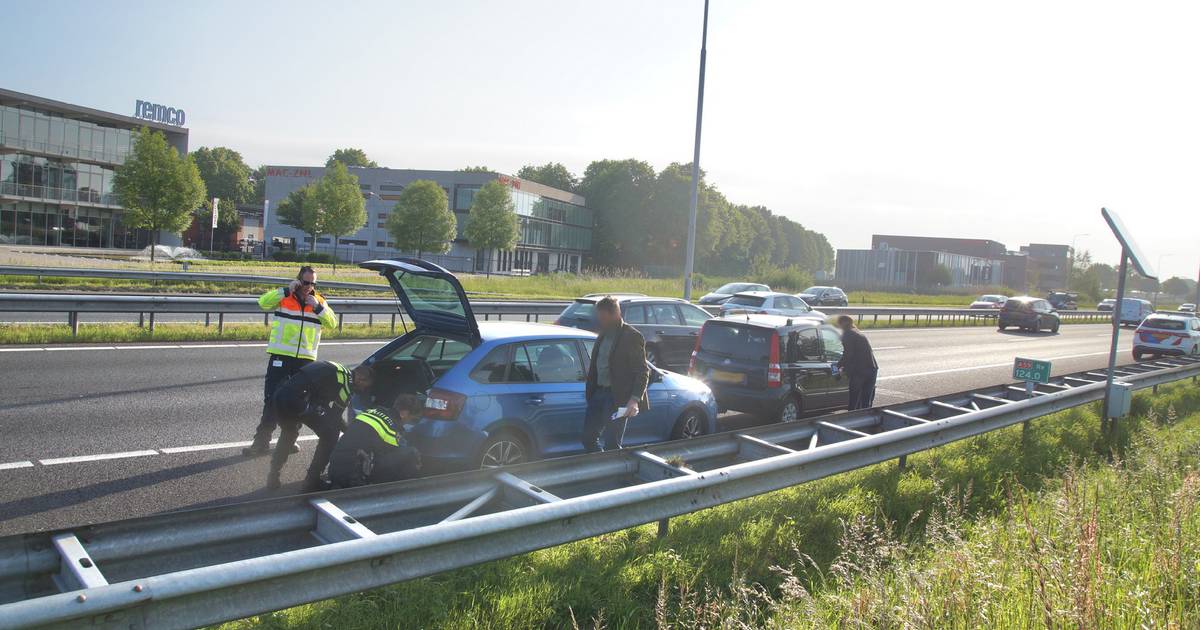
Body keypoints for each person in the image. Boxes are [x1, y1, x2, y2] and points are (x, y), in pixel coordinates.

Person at [243, 266, 338, 456]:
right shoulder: (285, 297)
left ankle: (288, 442)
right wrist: (286, 290)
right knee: (272, 400)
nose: (308, 286)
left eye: (313, 283)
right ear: (298, 281)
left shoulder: (319, 302)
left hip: (305, 362)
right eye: (305, 282)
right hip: (281, 357)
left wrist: (318, 308)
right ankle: (260, 443)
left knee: (298, 403)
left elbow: (333, 323)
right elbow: (263, 302)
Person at [265, 361, 374, 491]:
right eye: (364, 386)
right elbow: (335, 417)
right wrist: (350, 433)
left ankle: (273, 474)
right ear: (360, 379)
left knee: (289, 433)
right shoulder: (346, 385)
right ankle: (312, 480)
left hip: (281, 396)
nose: (363, 390)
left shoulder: (339, 369)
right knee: (330, 435)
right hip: (298, 401)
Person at [582, 296, 649, 452]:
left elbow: (643, 371)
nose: (601, 321)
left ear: (615, 314)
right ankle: (600, 467)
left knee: (612, 444)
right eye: (599, 318)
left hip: (617, 397)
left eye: (604, 318)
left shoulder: (632, 336)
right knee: (587, 438)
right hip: (598, 393)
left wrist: (634, 400)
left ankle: (612, 473)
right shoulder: (603, 333)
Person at [328, 394, 423, 489]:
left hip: (334, 469)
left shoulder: (371, 411)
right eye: (412, 419)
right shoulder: (391, 430)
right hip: (353, 478)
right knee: (411, 453)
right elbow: (386, 463)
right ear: (404, 413)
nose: (410, 422)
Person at [835, 315, 879, 410]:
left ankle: (851, 422)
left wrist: (838, 366)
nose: (838, 326)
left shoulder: (847, 334)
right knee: (866, 402)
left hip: (859, 371)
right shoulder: (858, 332)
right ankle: (865, 422)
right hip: (872, 369)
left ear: (843, 323)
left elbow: (848, 354)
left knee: (853, 401)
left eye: (839, 323)